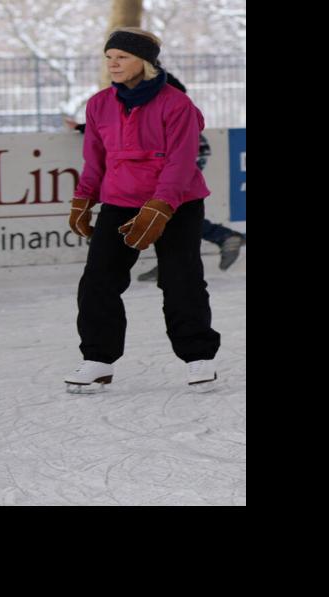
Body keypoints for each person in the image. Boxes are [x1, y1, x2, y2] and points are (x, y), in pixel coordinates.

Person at [64, 28, 220, 393]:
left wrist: (161, 206)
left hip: (176, 203)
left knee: (181, 279)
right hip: (120, 201)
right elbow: (95, 160)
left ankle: (198, 357)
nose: (113, 64)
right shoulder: (99, 104)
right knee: (98, 280)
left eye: (122, 57)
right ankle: (98, 360)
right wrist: (84, 198)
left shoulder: (176, 104)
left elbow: (182, 163)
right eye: (109, 57)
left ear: (145, 63)